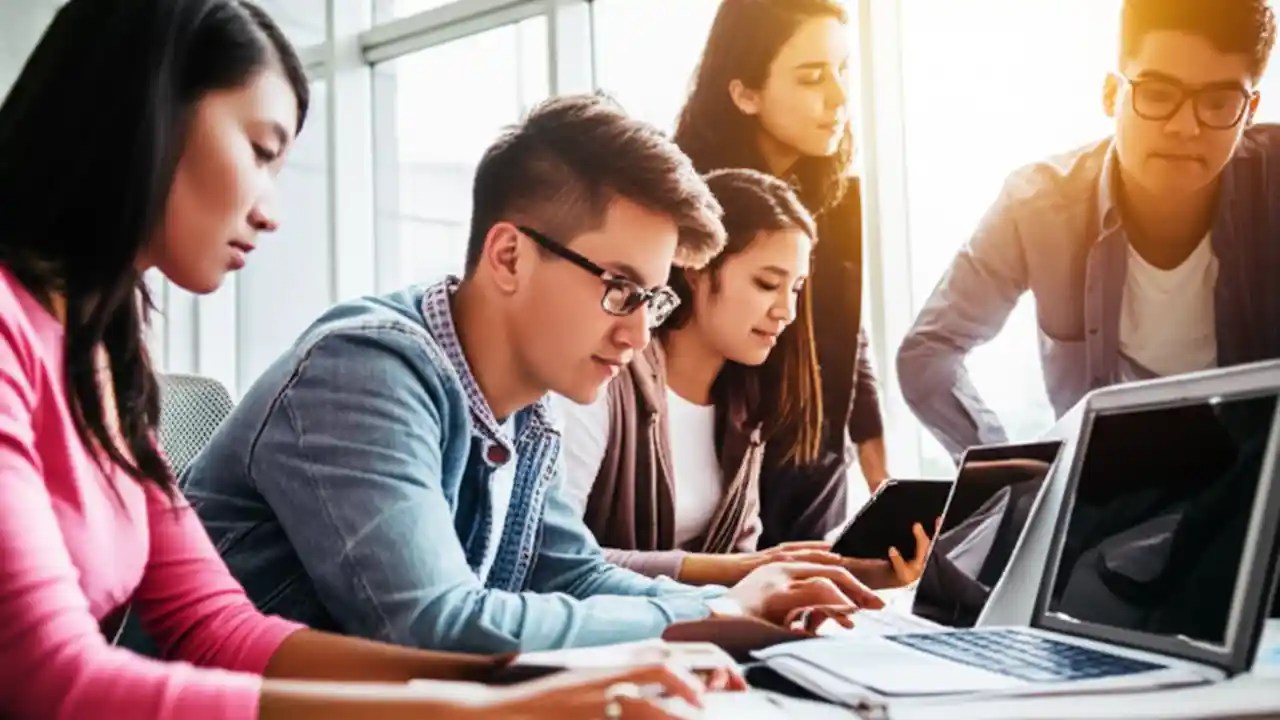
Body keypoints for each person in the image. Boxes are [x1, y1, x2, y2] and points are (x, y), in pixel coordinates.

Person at [0, 1, 731, 718]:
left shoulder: (102, 366)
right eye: (259, 152)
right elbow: (52, 682)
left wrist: (509, 691)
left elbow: (218, 626)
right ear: (146, 113)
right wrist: (479, 707)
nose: (270, 210)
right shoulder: (11, 331)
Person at [183, 92, 882, 656]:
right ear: (510, 257)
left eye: (654, 299)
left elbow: (572, 573)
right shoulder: (364, 372)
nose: (639, 332)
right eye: (619, 287)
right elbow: (435, 627)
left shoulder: (527, 408)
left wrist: (734, 606)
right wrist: (718, 610)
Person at [898, 0, 1280, 459]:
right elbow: (927, 353)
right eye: (1157, 93)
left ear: (1251, 109)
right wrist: (1010, 475)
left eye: (1218, 102)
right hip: (1108, 489)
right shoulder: (1037, 205)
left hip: (1256, 485)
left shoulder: (1271, 183)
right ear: (1110, 94)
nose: (1185, 127)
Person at [559, 168, 927, 589]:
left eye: (796, 289)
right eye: (767, 283)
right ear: (696, 268)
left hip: (696, 639)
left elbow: (740, 567)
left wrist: (856, 576)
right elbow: (551, 559)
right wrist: (742, 571)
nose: (786, 311)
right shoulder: (604, 380)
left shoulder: (745, 407)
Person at [673, 0, 890, 548]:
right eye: (813, 77)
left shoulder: (839, 198)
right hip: (725, 468)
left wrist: (877, 462)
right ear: (745, 91)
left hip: (816, 468)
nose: (840, 97)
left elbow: (845, 333)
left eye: (843, 71)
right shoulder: (685, 204)